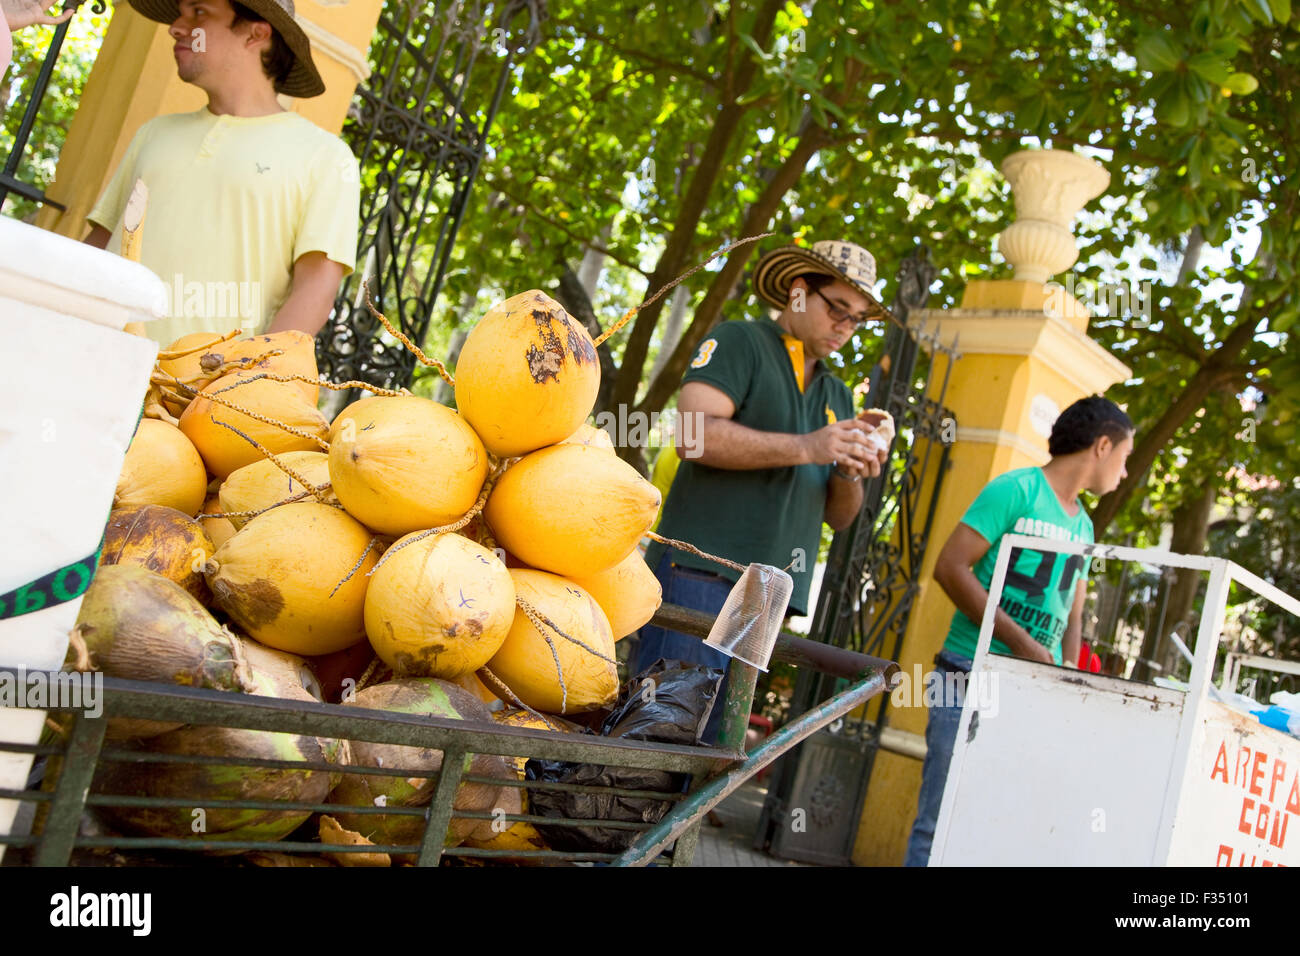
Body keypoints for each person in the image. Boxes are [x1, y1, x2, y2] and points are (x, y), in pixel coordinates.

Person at [634, 239, 896, 743]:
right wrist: (809, 445)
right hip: (702, 571)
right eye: (838, 309)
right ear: (798, 293)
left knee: (716, 745)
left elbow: (840, 518)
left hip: (767, 594)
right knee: (658, 732)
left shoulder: (839, 394)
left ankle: (681, 827)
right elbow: (691, 435)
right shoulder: (739, 341)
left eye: (858, 319)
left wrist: (849, 469)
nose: (846, 327)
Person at [902, 395, 1135, 866]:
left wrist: (1068, 675)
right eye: (1126, 459)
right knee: (942, 820)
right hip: (966, 676)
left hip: (1031, 690)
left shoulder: (1085, 525)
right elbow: (950, 568)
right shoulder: (1015, 490)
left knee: (992, 823)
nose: (1126, 474)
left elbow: (1072, 613)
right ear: (1103, 446)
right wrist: (1021, 643)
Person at [82, 0, 359, 345]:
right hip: (86, 359)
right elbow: (95, 248)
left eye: (198, 12)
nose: (177, 28)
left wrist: (238, 382)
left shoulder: (326, 157)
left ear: (255, 33)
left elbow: (314, 293)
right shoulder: (154, 133)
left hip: (196, 392)